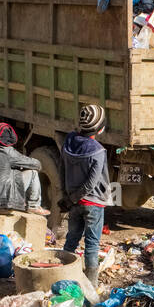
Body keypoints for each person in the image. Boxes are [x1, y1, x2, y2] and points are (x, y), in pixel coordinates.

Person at [61, 104, 110, 286]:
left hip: (73, 201)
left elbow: (61, 169)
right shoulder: (98, 151)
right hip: (93, 204)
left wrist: (68, 197)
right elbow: (92, 182)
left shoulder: (69, 141)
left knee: (71, 239)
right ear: (100, 128)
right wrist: (75, 197)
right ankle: (91, 285)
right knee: (91, 245)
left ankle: (64, 277)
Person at [0, 123, 45, 213]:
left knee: (10, 173)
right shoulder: (7, 152)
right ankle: (33, 206)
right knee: (33, 172)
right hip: (2, 206)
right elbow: (36, 164)